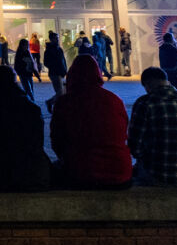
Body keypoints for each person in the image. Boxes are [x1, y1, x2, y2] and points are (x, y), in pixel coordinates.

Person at [49, 55, 132, 190]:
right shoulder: (114, 100)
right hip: (119, 173)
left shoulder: (65, 102)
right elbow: (124, 133)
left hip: (80, 172)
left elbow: (57, 141)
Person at [127, 67, 177, 188]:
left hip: (157, 176)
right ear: (166, 81)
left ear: (147, 85)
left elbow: (135, 147)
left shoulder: (145, 103)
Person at [42, 31, 68, 103]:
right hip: (55, 73)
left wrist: (65, 69)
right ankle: (50, 102)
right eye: (56, 38)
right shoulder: (49, 50)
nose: (58, 40)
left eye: (58, 38)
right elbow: (46, 62)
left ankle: (52, 103)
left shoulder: (59, 49)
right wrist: (55, 66)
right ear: (52, 39)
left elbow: (63, 60)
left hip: (61, 72)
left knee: (62, 92)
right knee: (60, 92)